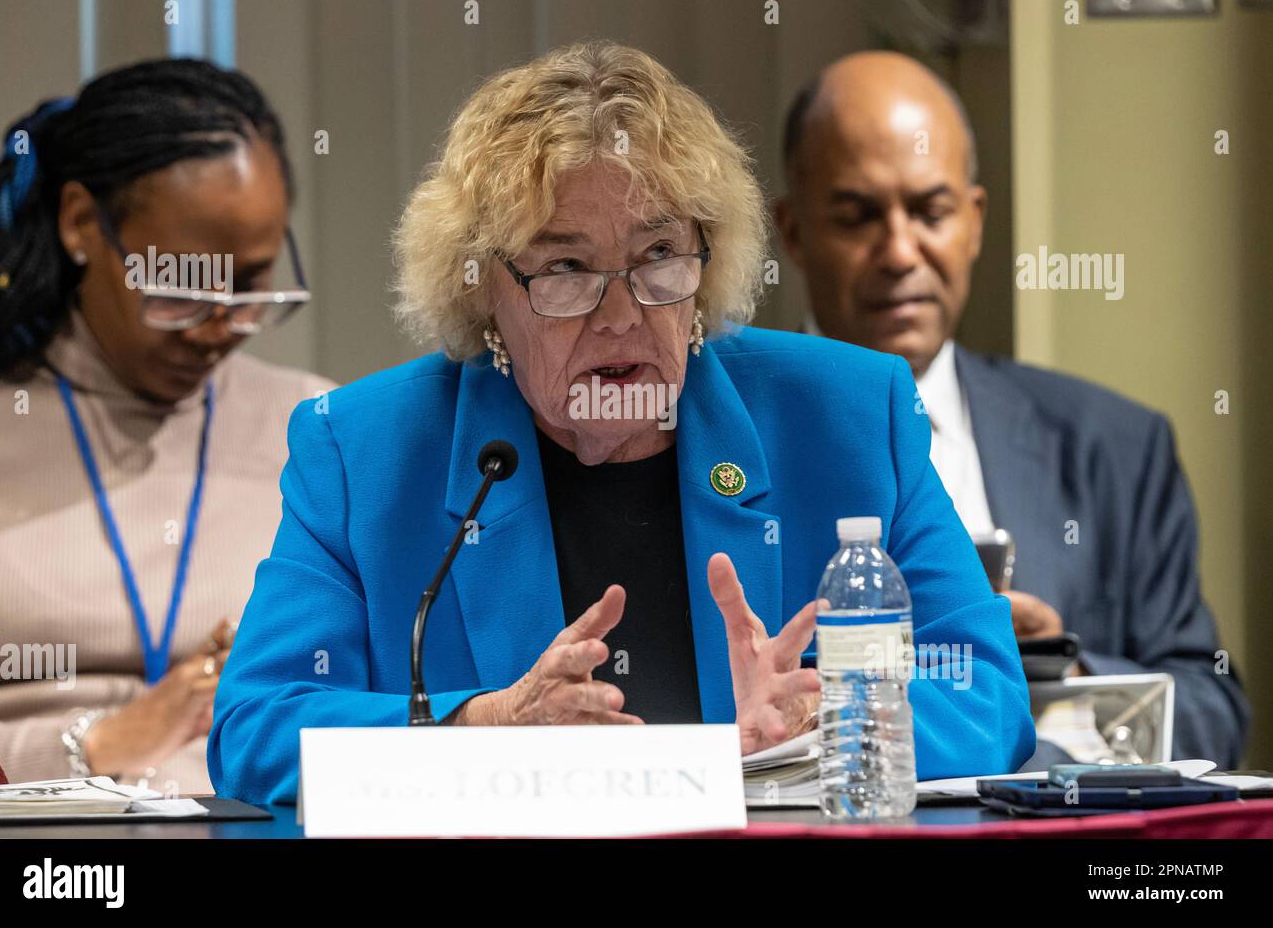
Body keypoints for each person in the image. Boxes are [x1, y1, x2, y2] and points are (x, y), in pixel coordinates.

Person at [208, 41, 1034, 806]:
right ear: (481, 291)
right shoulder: (364, 451)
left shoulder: (849, 415)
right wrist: (486, 729)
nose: (618, 314)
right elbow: (258, 728)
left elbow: (985, 694)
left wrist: (820, 729)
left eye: (657, 257)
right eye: (565, 267)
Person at [775, 50, 1249, 768]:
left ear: (974, 220)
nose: (900, 252)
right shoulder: (727, 442)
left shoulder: (1115, 447)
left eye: (931, 212)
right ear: (793, 232)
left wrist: (1065, 675)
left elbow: (1212, 708)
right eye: (857, 217)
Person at [0, 58, 334, 792]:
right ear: (81, 224)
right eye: (184, 286)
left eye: (253, 284)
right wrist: (95, 742)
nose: (220, 327)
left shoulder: (322, 428)